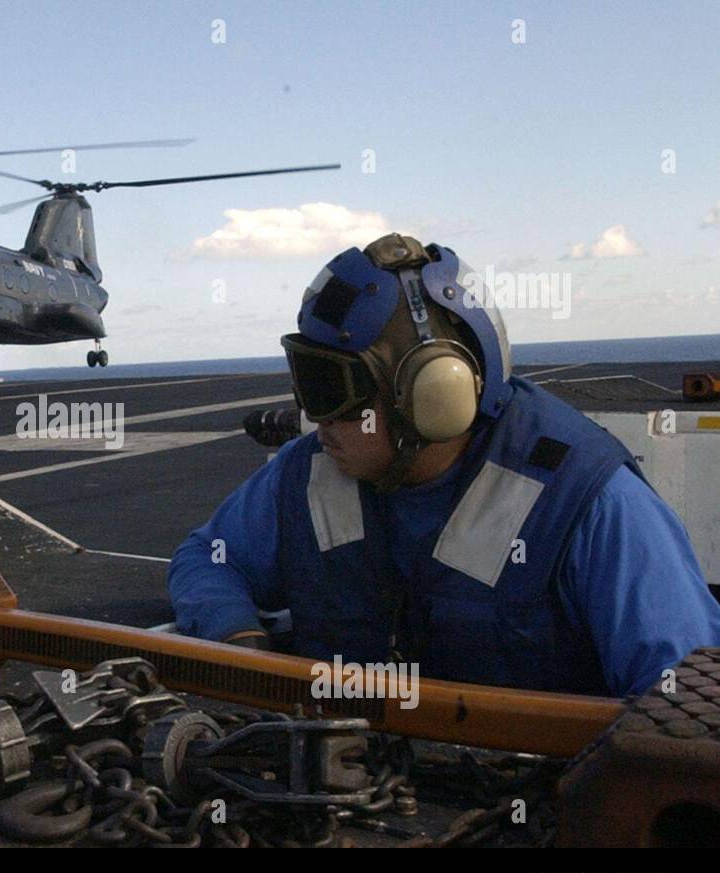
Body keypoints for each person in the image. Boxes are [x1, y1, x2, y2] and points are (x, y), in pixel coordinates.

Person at [168, 233, 720, 697]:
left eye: (333, 388)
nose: (316, 417)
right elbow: (208, 558)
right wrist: (237, 637)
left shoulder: (588, 502)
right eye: (307, 381)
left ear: (432, 397)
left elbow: (680, 704)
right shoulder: (312, 471)